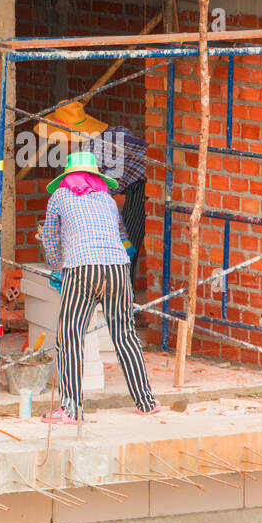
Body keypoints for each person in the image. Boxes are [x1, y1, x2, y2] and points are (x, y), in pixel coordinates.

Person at [38, 150, 159, 424]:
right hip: (118, 269)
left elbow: (48, 237)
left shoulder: (59, 196)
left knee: (70, 336)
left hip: (81, 268)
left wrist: (57, 268)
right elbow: (120, 236)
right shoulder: (107, 199)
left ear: (67, 178)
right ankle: (146, 401)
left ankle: (71, 409)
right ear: (96, 177)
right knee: (125, 334)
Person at [36, 100, 149, 286]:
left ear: (69, 137)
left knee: (127, 244)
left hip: (143, 182)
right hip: (130, 182)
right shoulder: (85, 146)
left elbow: (99, 199)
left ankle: (125, 295)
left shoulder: (90, 153)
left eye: (58, 139)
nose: (56, 144)